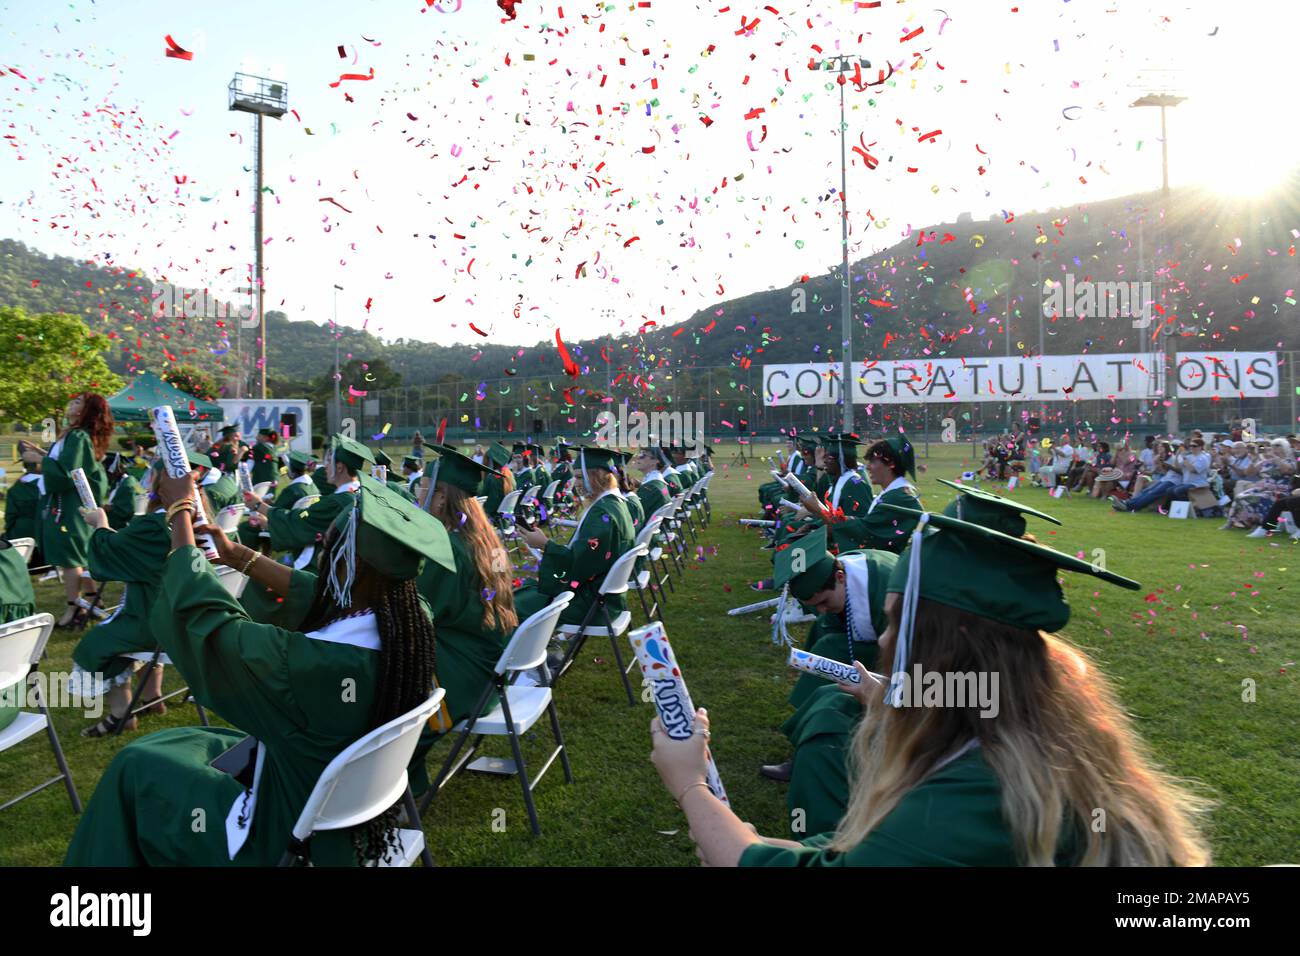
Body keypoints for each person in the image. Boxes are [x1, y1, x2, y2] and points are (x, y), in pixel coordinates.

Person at [651, 508, 1212, 866]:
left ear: (942, 649)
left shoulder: (985, 788)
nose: (885, 641)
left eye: (896, 622)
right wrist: (760, 842)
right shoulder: (1032, 725)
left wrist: (691, 784)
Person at [65, 472, 446, 867]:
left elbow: (210, 625)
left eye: (328, 546)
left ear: (349, 566)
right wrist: (238, 556)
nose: (321, 551)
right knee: (190, 741)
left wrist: (180, 512)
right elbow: (316, 592)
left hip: (279, 828)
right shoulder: (410, 619)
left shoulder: (317, 664)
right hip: (336, 806)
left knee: (134, 766)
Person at [72, 449, 215, 737]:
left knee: (94, 645)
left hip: (156, 620)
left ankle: (120, 715)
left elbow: (108, 556)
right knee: (124, 635)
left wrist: (99, 524)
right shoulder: (201, 521)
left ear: (161, 483)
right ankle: (151, 698)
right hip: (191, 618)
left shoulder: (155, 524)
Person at [408, 446, 518, 793]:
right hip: (485, 668)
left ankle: (401, 789)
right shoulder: (483, 537)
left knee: (384, 687)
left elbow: (417, 614)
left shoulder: (449, 550)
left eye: (423, 486)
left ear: (441, 498)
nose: (417, 491)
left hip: (461, 680)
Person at [239, 436, 373, 624]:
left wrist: (258, 506)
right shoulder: (361, 495)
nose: (324, 467)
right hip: (345, 567)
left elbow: (298, 523)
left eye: (328, 462)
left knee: (259, 578)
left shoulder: (338, 501)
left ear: (340, 467)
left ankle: (264, 630)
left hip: (321, 568)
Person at [513, 445, 635, 627]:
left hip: (589, 603)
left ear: (598, 478)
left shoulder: (602, 514)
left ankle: (516, 652)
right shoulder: (615, 504)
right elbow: (588, 559)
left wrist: (545, 545)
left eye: (579, 477)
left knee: (513, 605)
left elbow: (579, 565)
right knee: (525, 593)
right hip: (604, 597)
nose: (575, 483)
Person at [40, 392, 113, 628]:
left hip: (71, 505)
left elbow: (66, 473)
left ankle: (73, 608)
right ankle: (93, 601)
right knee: (76, 555)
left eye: (78, 402)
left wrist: (43, 462)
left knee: (70, 557)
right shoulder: (73, 434)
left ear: (86, 411)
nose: (71, 403)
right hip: (70, 503)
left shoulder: (79, 436)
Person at [1226, 438, 1296, 530]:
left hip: (1279, 490)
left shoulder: (1290, 461)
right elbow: (1249, 473)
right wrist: (1254, 459)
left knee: (1261, 498)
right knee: (1240, 496)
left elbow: (1286, 471)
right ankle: (1233, 522)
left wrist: (1275, 458)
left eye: (1278, 446)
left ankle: (1259, 524)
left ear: (1285, 448)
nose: (1274, 448)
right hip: (1262, 488)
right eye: (1273, 446)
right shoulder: (1265, 462)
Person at [3, 449, 44, 555]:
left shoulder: (16, 489)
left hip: (20, 539)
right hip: (48, 540)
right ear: (39, 465)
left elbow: (10, 518)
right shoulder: (52, 486)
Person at [103, 453, 146, 531]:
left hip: (121, 529)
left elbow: (126, 511)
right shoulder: (119, 482)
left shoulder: (127, 485)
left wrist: (109, 508)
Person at [481, 443, 515, 517]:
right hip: (508, 515)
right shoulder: (510, 475)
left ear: (491, 462)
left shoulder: (491, 478)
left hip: (494, 517)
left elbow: (489, 503)